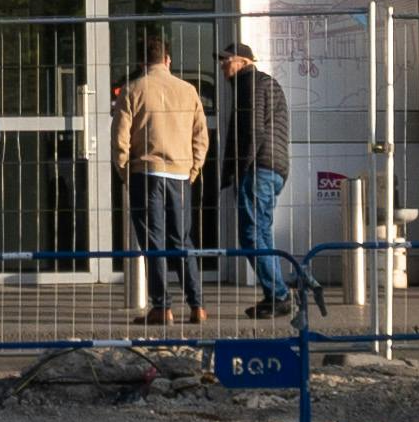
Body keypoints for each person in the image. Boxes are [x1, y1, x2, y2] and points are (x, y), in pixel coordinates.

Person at [113, 36, 211, 323]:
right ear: (168, 60)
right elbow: (201, 136)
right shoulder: (188, 90)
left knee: (153, 240)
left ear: (142, 62)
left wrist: (125, 172)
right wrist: (193, 169)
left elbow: (120, 137)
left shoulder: (133, 89)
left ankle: (162, 306)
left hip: (147, 171)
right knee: (182, 239)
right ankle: (197, 305)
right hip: (180, 173)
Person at [213, 35, 298, 314]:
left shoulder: (250, 84)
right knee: (261, 232)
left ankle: (280, 295)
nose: (222, 66)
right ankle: (275, 294)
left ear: (243, 62)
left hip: (259, 167)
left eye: (226, 61)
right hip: (273, 166)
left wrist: (239, 170)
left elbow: (252, 131)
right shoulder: (262, 83)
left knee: (251, 234)